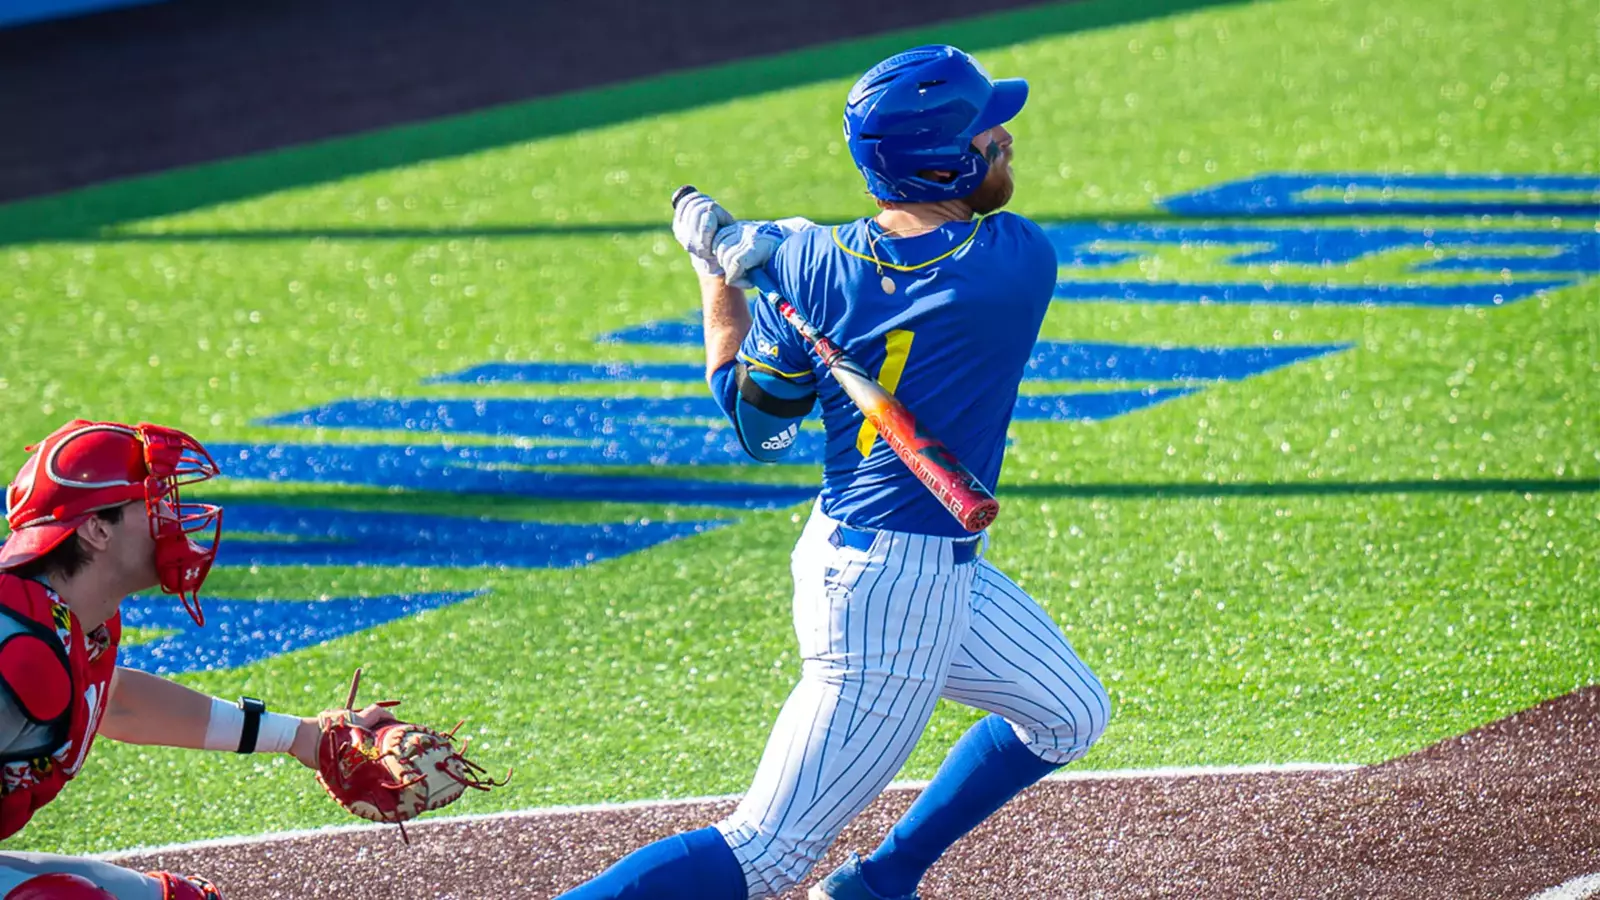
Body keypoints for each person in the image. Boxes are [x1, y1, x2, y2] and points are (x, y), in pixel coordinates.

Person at [560, 45, 1111, 900]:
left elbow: (753, 422)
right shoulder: (1013, 262)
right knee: (764, 853)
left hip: (875, 559)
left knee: (1067, 712)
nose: (1004, 137)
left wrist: (720, 277)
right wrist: (757, 254)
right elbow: (866, 264)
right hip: (892, 594)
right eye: (985, 129)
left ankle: (878, 883)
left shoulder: (808, 268)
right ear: (947, 158)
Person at [0, 420, 396, 900]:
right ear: (97, 529)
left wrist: (299, 737)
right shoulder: (20, 650)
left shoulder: (75, 625)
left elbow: (115, 700)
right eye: (153, 502)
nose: (171, 515)